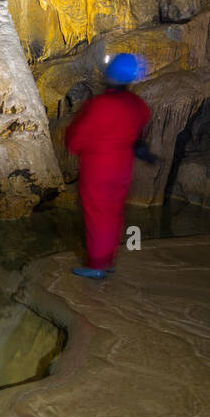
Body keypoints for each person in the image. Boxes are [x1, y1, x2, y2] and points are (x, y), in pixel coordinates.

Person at [64, 53, 155, 280]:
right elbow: (142, 121)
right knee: (114, 213)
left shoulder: (101, 104)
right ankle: (108, 260)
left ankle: (97, 265)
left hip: (98, 168)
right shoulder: (135, 104)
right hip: (123, 167)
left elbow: (77, 138)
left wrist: (73, 144)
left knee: (97, 216)